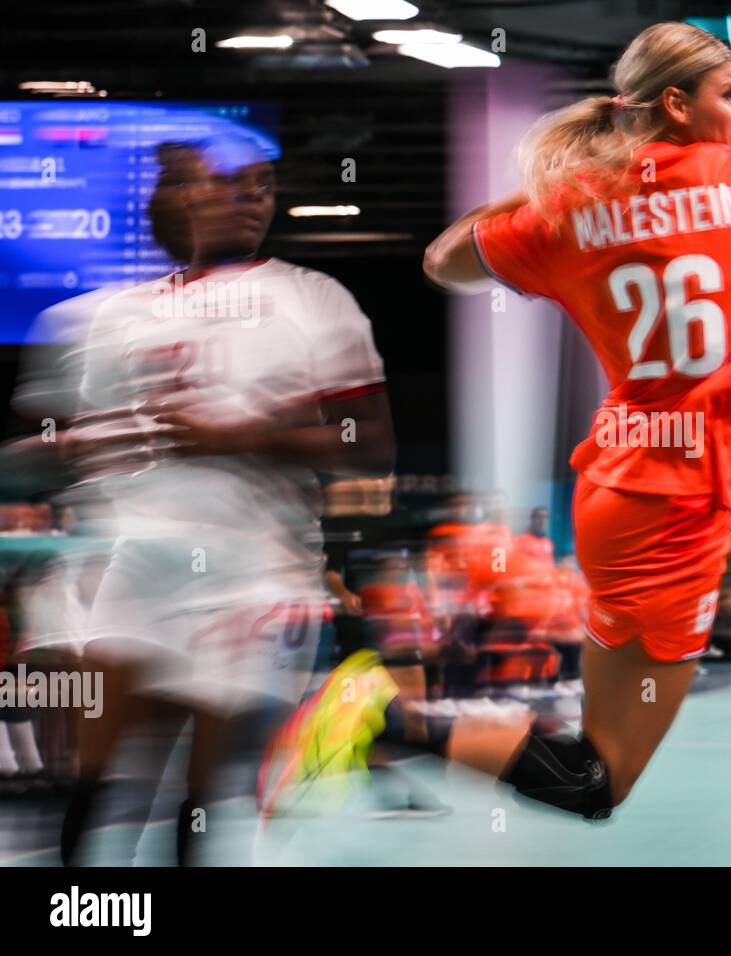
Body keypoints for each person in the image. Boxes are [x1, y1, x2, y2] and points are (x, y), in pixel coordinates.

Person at [263, 22, 731, 822]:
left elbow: (442, 261)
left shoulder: (574, 208)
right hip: (672, 518)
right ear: (674, 101)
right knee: (597, 780)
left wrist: (557, 189)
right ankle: (385, 717)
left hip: (646, 480)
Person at [58, 135, 395, 863]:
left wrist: (247, 436)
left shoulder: (312, 300)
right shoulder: (113, 318)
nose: (253, 196)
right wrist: (64, 455)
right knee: (99, 780)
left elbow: (368, 440)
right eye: (229, 181)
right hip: (138, 563)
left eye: (265, 184)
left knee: (202, 798)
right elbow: (86, 441)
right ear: (178, 193)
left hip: (250, 574)